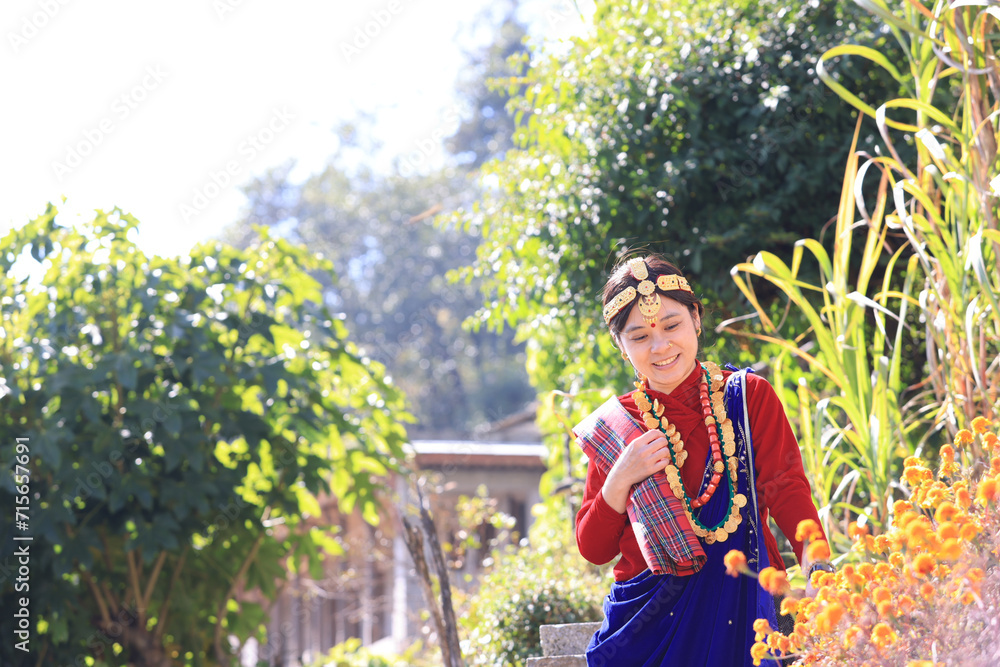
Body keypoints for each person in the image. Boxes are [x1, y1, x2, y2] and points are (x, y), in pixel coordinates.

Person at [574, 254, 829, 666]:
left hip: (746, 610)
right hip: (647, 628)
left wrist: (818, 569)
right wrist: (620, 477)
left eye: (672, 325)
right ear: (621, 347)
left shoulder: (748, 399)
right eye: (639, 337)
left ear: (696, 318)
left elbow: (787, 490)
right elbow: (593, 547)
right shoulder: (617, 428)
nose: (660, 346)